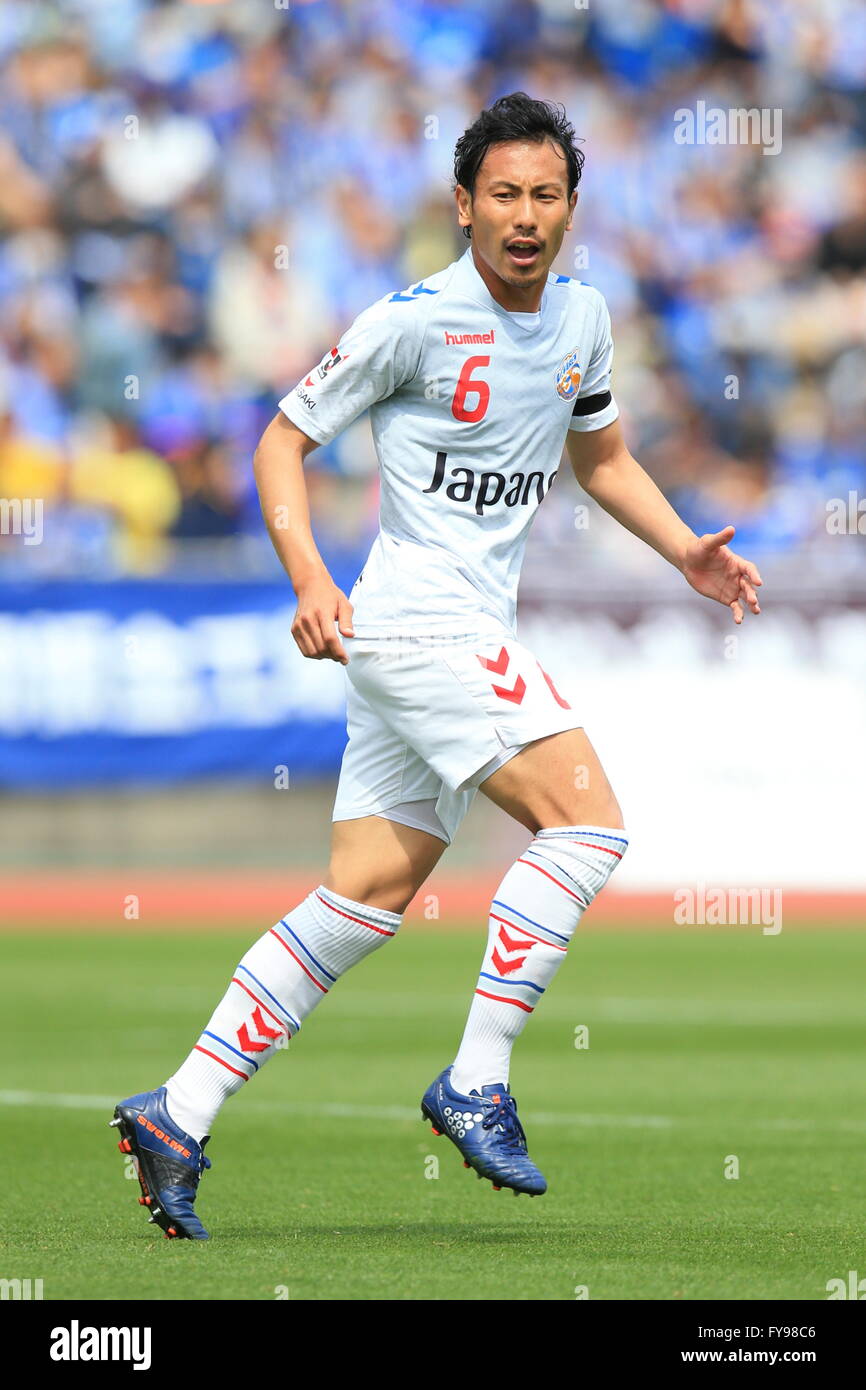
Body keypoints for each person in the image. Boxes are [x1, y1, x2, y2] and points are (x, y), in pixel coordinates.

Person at [110, 92, 762, 1239]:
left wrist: (684, 555)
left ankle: (181, 1106)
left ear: (570, 209)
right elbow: (280, 439)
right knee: (587, 826)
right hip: (419, 622)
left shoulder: (584, 321)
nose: (523, 216)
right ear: (462, 206)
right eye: (501, 194)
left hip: (445, 634)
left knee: (365, 897)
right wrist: (310, 577)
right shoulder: (408, 322)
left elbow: (600, 456)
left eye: (544, 195)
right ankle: (476, 1076)